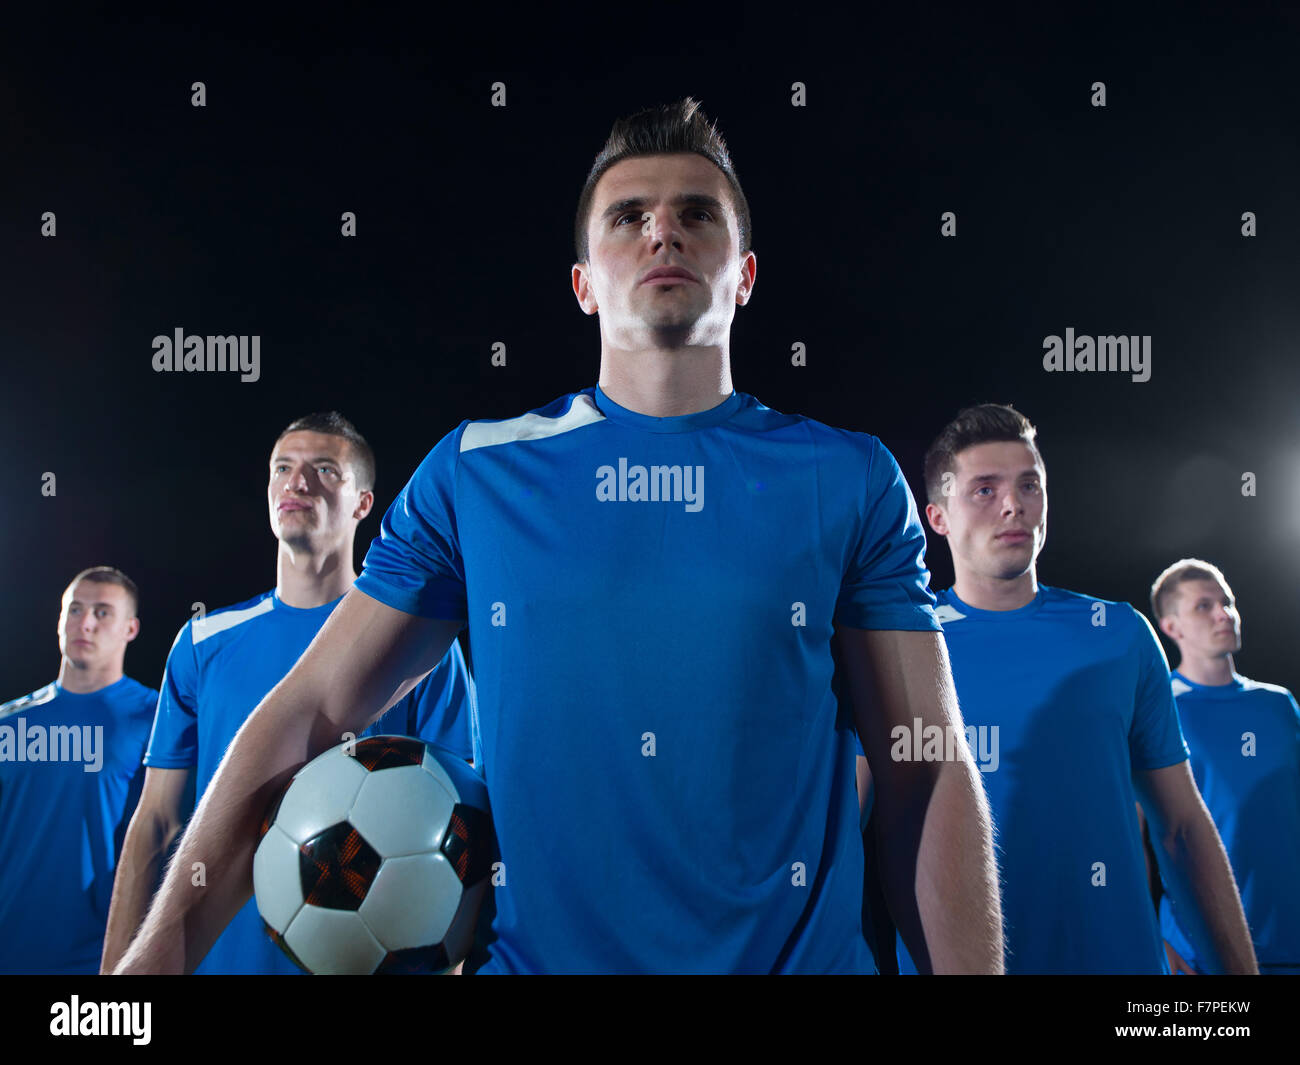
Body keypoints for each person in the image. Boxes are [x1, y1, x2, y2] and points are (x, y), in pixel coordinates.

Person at [116, 98, 1001, 975]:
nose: (663, 233)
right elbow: (307, 715)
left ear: (745, 274)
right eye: (628, 217)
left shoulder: (846, 476)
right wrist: (155, 959)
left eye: (696, 213)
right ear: (583, 282)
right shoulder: (476, 473)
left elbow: (922, 767)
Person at [884, 402, 1257, 973]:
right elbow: (843, 829)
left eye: (1029, 484)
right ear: (937, 516)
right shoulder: (904, 646)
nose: (1014, 503)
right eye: (984, 489)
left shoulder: (1120, 635)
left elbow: (1182, 827)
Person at [101, 412, 475, 974]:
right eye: (284, 468)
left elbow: (460, 834)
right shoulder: (203, 642)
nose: (298, 483)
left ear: (363, 503)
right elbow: (155, 822)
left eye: (325, 470)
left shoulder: (419, 647)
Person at [0, 567, 158, 974]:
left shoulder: (157, 718)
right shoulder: (9, 723)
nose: (84, 622)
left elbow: (168, 835)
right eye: (74, 610)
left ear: (130, 628)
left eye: (102, 612)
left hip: (96, 959)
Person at [1147, 558, 1300, 974]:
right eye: (1203, 606)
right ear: (1171, 626)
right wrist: (1155, 941)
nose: (1223, 614)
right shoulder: (1160, 712)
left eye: (1227, 602)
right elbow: (1123, 834)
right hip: (1205, 953)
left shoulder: (1278, 704)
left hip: (1290, 941)